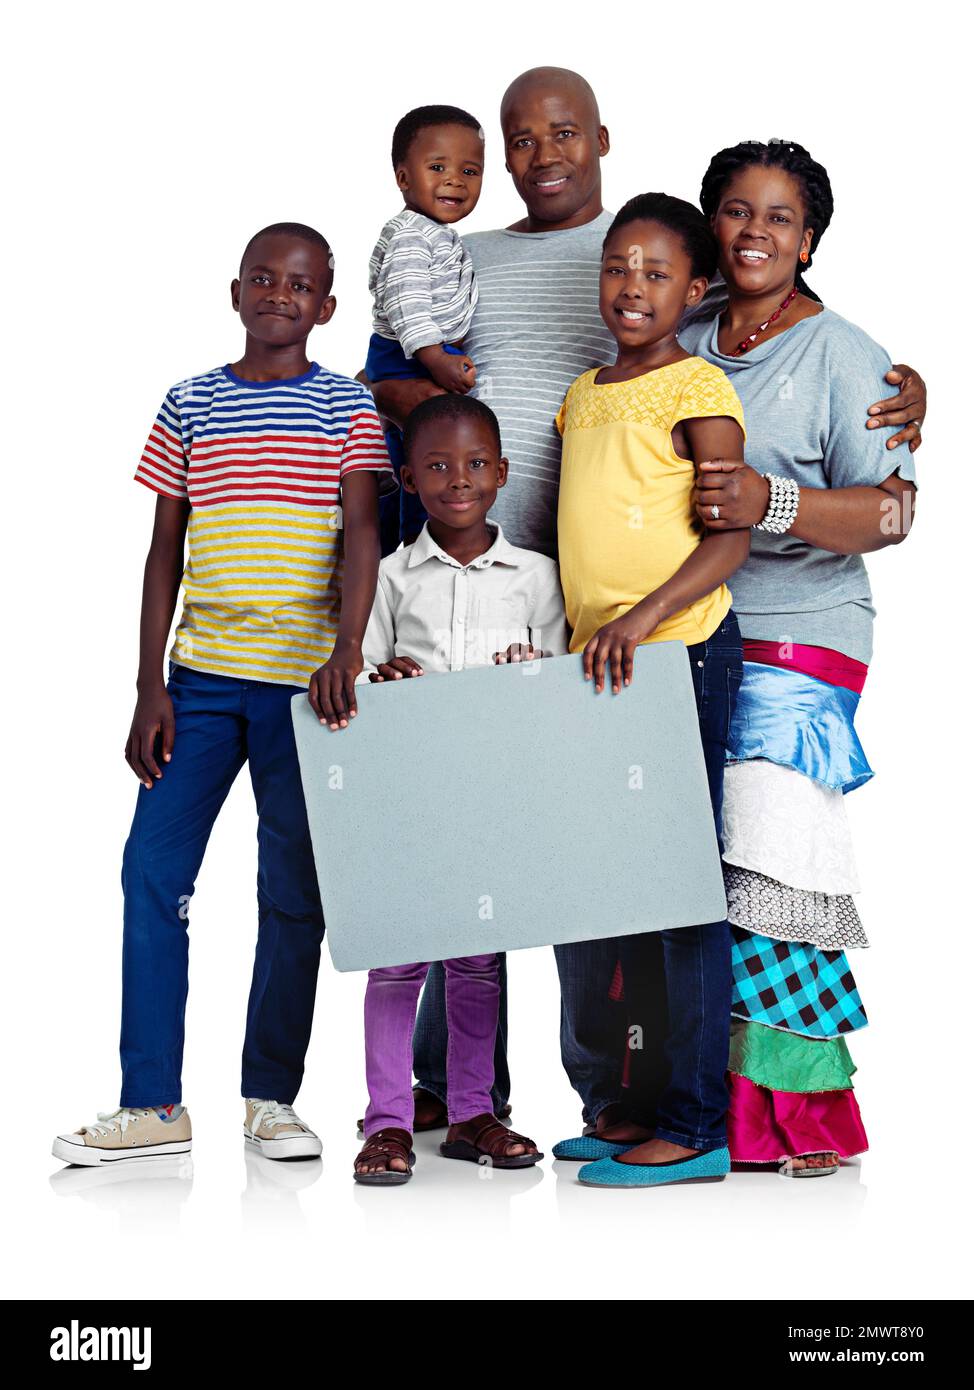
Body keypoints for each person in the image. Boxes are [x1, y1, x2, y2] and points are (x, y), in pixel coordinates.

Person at [365, 67, 928, 1139]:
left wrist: (914, 404)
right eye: (519, 139)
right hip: (510, 605)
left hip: (671, 628)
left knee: (663, 870)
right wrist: (411, 395)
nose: (543, 155)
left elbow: (834, 401)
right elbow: (388, 380)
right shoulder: (464, 262)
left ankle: (708, 1106)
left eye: (565, 131)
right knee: (507, 854)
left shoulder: (677, 281)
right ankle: (453, 1090)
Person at [557, 140, 918, 1177]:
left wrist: (780, 503)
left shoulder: (847, 356)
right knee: (670, 870)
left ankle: (780, 1122)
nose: (755, 230)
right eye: (735, 211)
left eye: (780, 217)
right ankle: (669, 1096)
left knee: (762, 869)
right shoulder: (687, 329)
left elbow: (895, 510)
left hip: (799, 636)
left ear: (809, 241)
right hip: (684, 637)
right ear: (708, 236)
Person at [52, 223, 395, 1167]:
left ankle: (270, 1098)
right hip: (199, 685)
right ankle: (153, 1104)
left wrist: (350, 648)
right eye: (263, 279)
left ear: (327, 306)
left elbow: (362, 534)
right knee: (151, 875)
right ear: (235, 291)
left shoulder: (346, 409)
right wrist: (147, 683)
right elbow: (165, 549)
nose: (279, 294)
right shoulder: (190, 402)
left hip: (305, 692)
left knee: (294, 894)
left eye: (301, 285)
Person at [551, 195, 748, 1187]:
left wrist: (637, 616)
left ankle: (696, 1122)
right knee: (616, 892)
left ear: (694, 289)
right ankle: (627, 1108)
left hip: (678, 652)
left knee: (679, 892)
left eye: (655, 271)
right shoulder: (583, 392)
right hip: (596, 667)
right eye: (615, 267)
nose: (630, 286)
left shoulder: (697, 385)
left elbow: (729, 536)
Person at [352, 393, 566, 1183]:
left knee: (478, 961)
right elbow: (359, 683)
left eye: (475, 464)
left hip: (494, 800)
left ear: (503, 474)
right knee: (396, 961)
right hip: (410, 799)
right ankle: (387, 1123)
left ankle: (475, 1111)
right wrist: (384, 679)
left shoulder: (537, 578)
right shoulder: (390, 578)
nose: (458, 480)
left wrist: (533, 678)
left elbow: (563, 695)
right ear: (408, 477)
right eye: (437, 466)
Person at [366, 104, 485, 552]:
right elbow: (406, 301)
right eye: (437, 167)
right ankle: (409, 543)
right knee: (422, 459)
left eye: (470, 170)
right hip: (408, 355)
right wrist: (436, 358)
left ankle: (400, 535)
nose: (455, 180)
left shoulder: (437, 233)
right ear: (403, 177)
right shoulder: (412, 235)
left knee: (408, 457)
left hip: (421, 355)